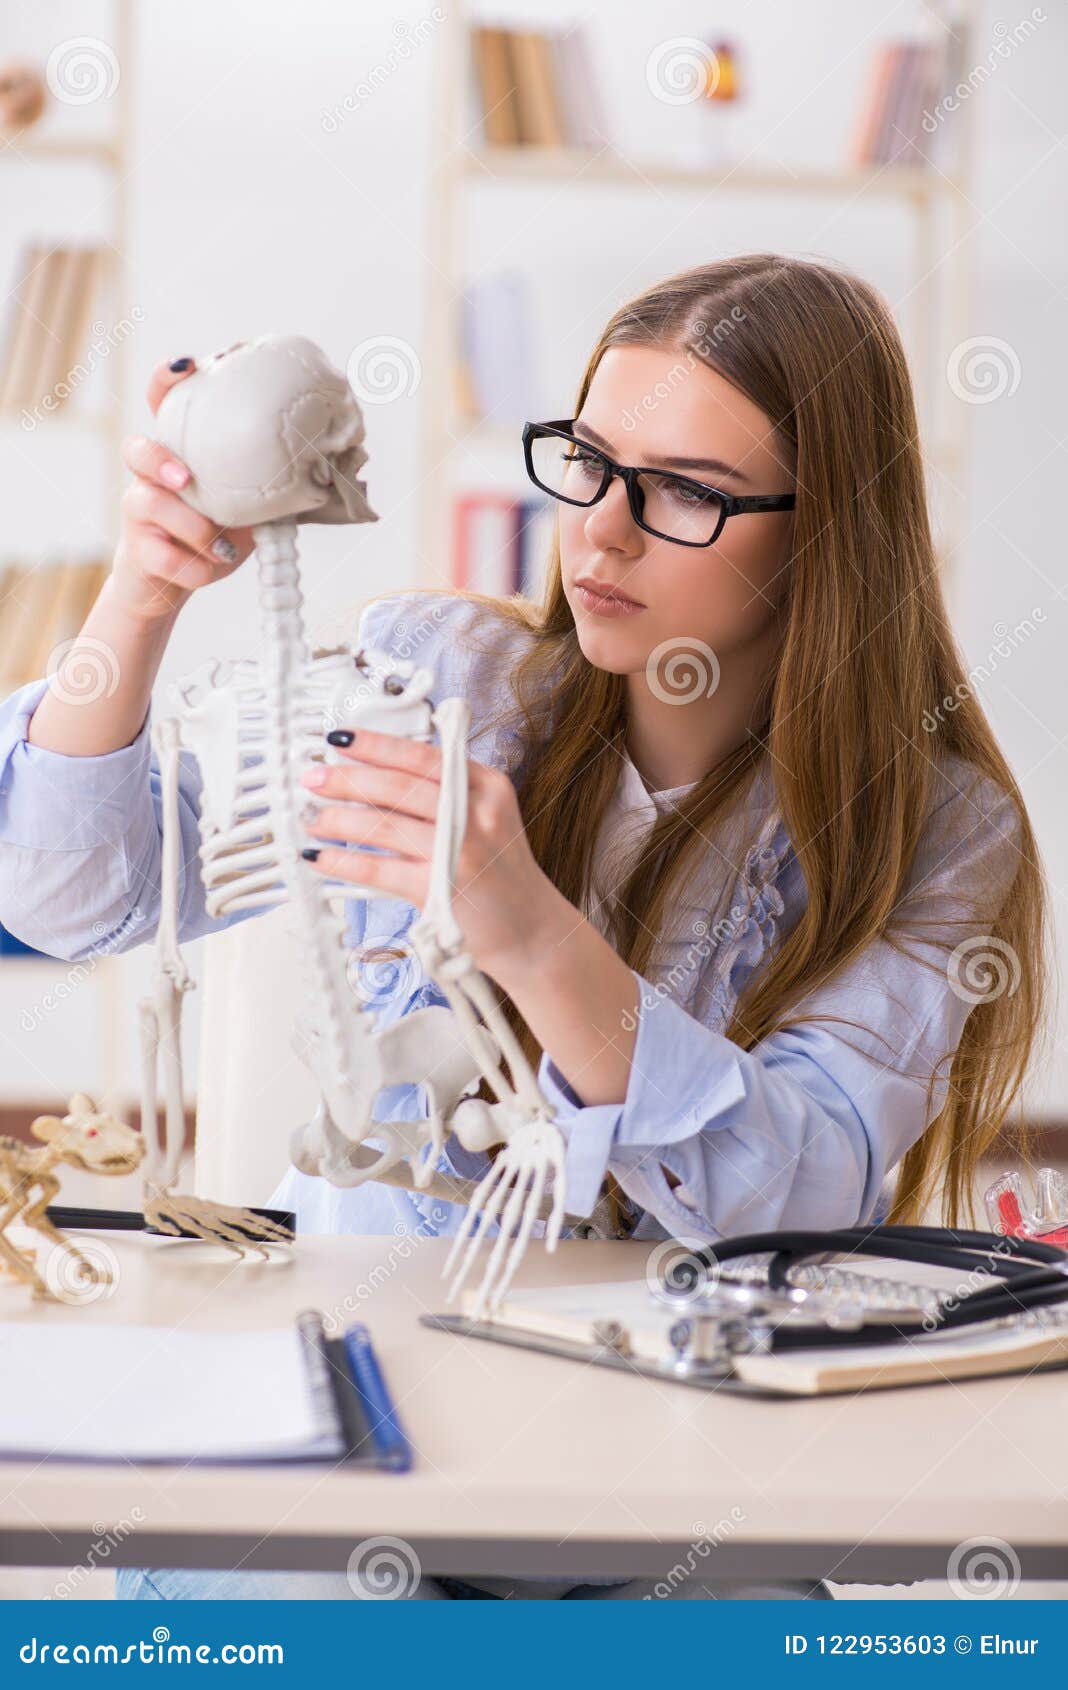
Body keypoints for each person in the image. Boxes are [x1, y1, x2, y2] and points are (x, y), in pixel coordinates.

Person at [0, 254, 1045, 1601]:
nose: (600, 532)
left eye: (682, 492)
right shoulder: (438, 678)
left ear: (827, 527)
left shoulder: (936, 830)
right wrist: (140, 597)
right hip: (375, 1408)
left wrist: (533, 931)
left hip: (687, 1454)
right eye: (590, 461)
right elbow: (65, 896)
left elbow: (797, 1186)